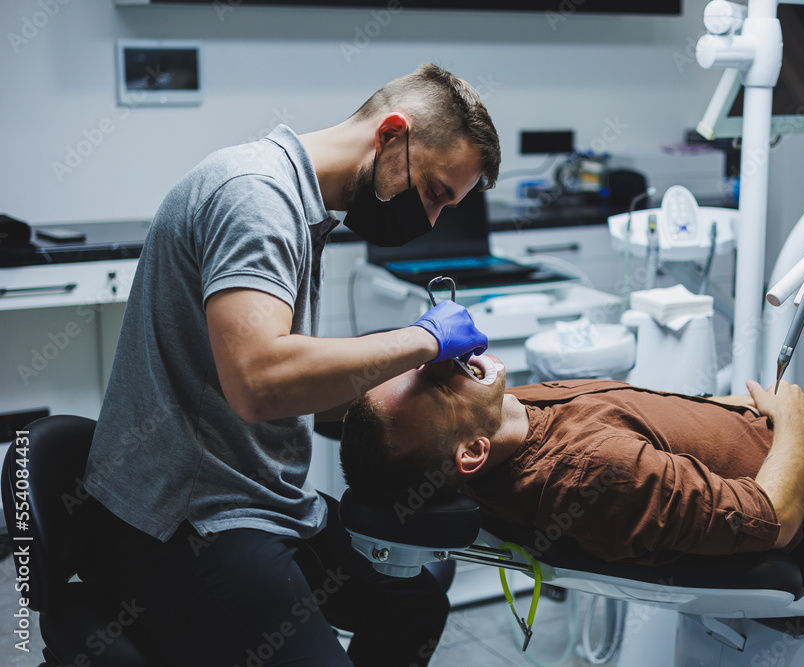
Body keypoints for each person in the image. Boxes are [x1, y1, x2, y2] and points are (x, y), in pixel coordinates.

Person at [80, 64, 500, 667]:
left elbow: (292, 388)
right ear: (391, 137)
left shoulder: (301, 210)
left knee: (416, 604)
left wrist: (405, 387)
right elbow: (260, 384)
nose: (430, 219)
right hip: (183, 518)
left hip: (257, 500)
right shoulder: (255, 194)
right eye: (434, 192)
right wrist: (420, 341)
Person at [339, 354, 804, 580]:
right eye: (431, 382)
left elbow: (643, 408)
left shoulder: (515, 409)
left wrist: (736, 407)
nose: (438, 357)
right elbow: (774, 522)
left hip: (780, 432)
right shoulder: (586, 471)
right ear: (471, 452)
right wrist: (793, 420)